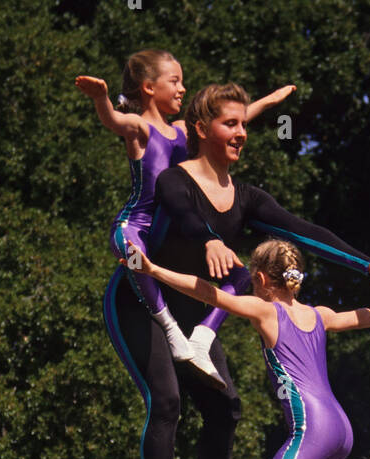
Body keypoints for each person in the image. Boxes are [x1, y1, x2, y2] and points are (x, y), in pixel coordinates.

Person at [103, 81, 370, 459]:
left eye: (245, 124)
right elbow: (184, 216)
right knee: (167, 402)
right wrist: (209, 238)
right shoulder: (175, 179)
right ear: (202, 128)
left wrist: (369, 266)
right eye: (231, 123)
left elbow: (305, 232)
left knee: (226, 410)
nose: (242, 133)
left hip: (198, 307)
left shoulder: (247, 197)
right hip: (143, 298)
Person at [135, 238, 370, 459]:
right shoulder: (318, 314)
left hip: (313, 429)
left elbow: (209, 294)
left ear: (259, 278)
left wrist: (154, 270)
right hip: (341, 432)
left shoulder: (266, 311)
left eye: (252, 281)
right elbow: (358, 317)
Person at [77, 53, 294, 382]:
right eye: (174, 81)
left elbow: (231, 119)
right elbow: (113, 122)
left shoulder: (182, 130)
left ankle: (202, 338)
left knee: (239, 275)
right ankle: (171, 329)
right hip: (136, 225)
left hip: (170, 230)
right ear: (149, 88)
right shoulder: (140, 127)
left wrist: (267, 101)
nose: (183, 89)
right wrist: (101, 98)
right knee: (132, 253)